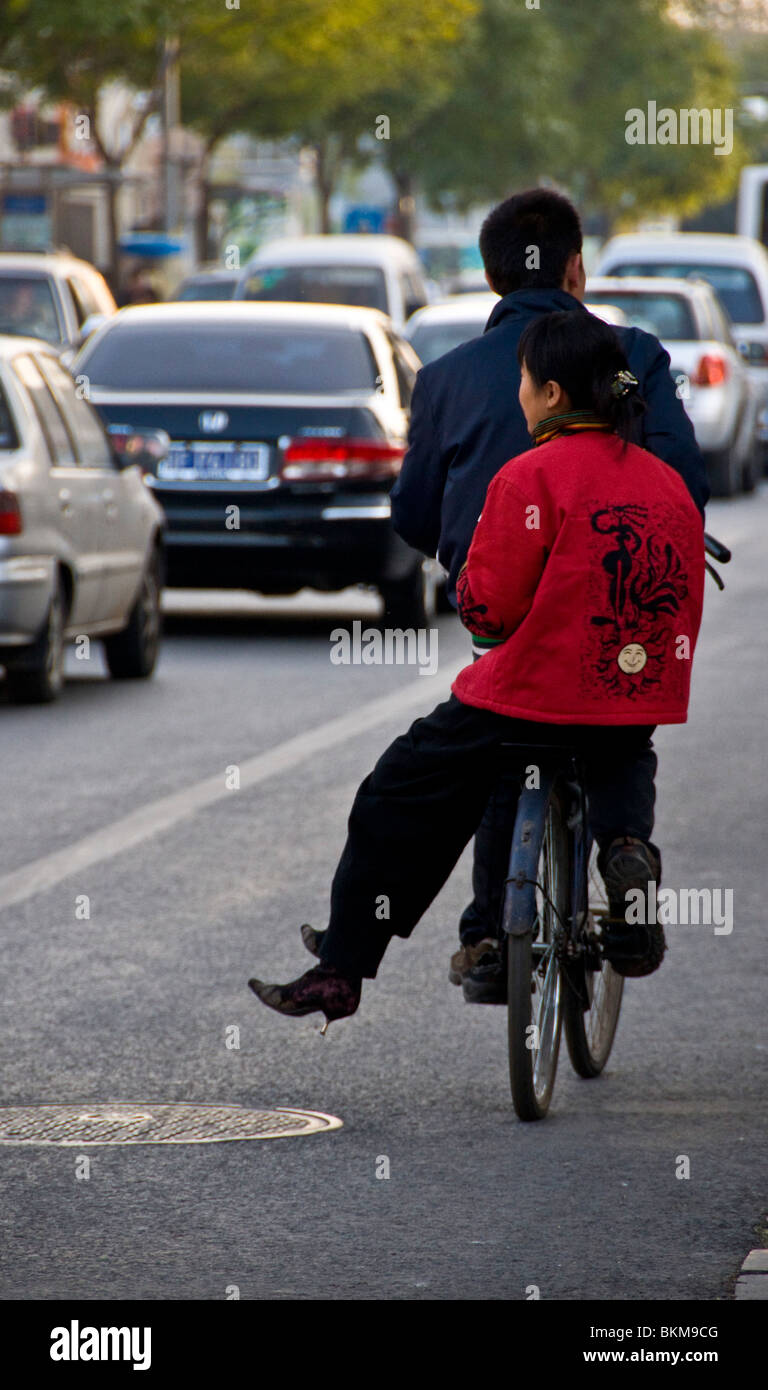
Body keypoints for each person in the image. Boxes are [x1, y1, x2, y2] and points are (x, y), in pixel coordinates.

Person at [248, 311, 706, 1029]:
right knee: (622, 751)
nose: (518, 392)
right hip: (635, 690)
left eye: (523, 381)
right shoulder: (668, 487)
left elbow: (488, 614)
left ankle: (343, 963)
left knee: (401, 788)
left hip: (532, 698)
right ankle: (627, 860)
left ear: (552, 393)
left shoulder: (528, 477)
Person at [389, 189, 709, 1002]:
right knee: (620, 734)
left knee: (505, 751)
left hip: (499, 605)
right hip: (616, 608)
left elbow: (415, 516)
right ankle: (626, 845)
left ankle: (492, 935)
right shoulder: (633, 352)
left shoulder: (448, 376)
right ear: (576, 267)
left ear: (492, 274)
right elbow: (685, 483)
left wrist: (469, 559)